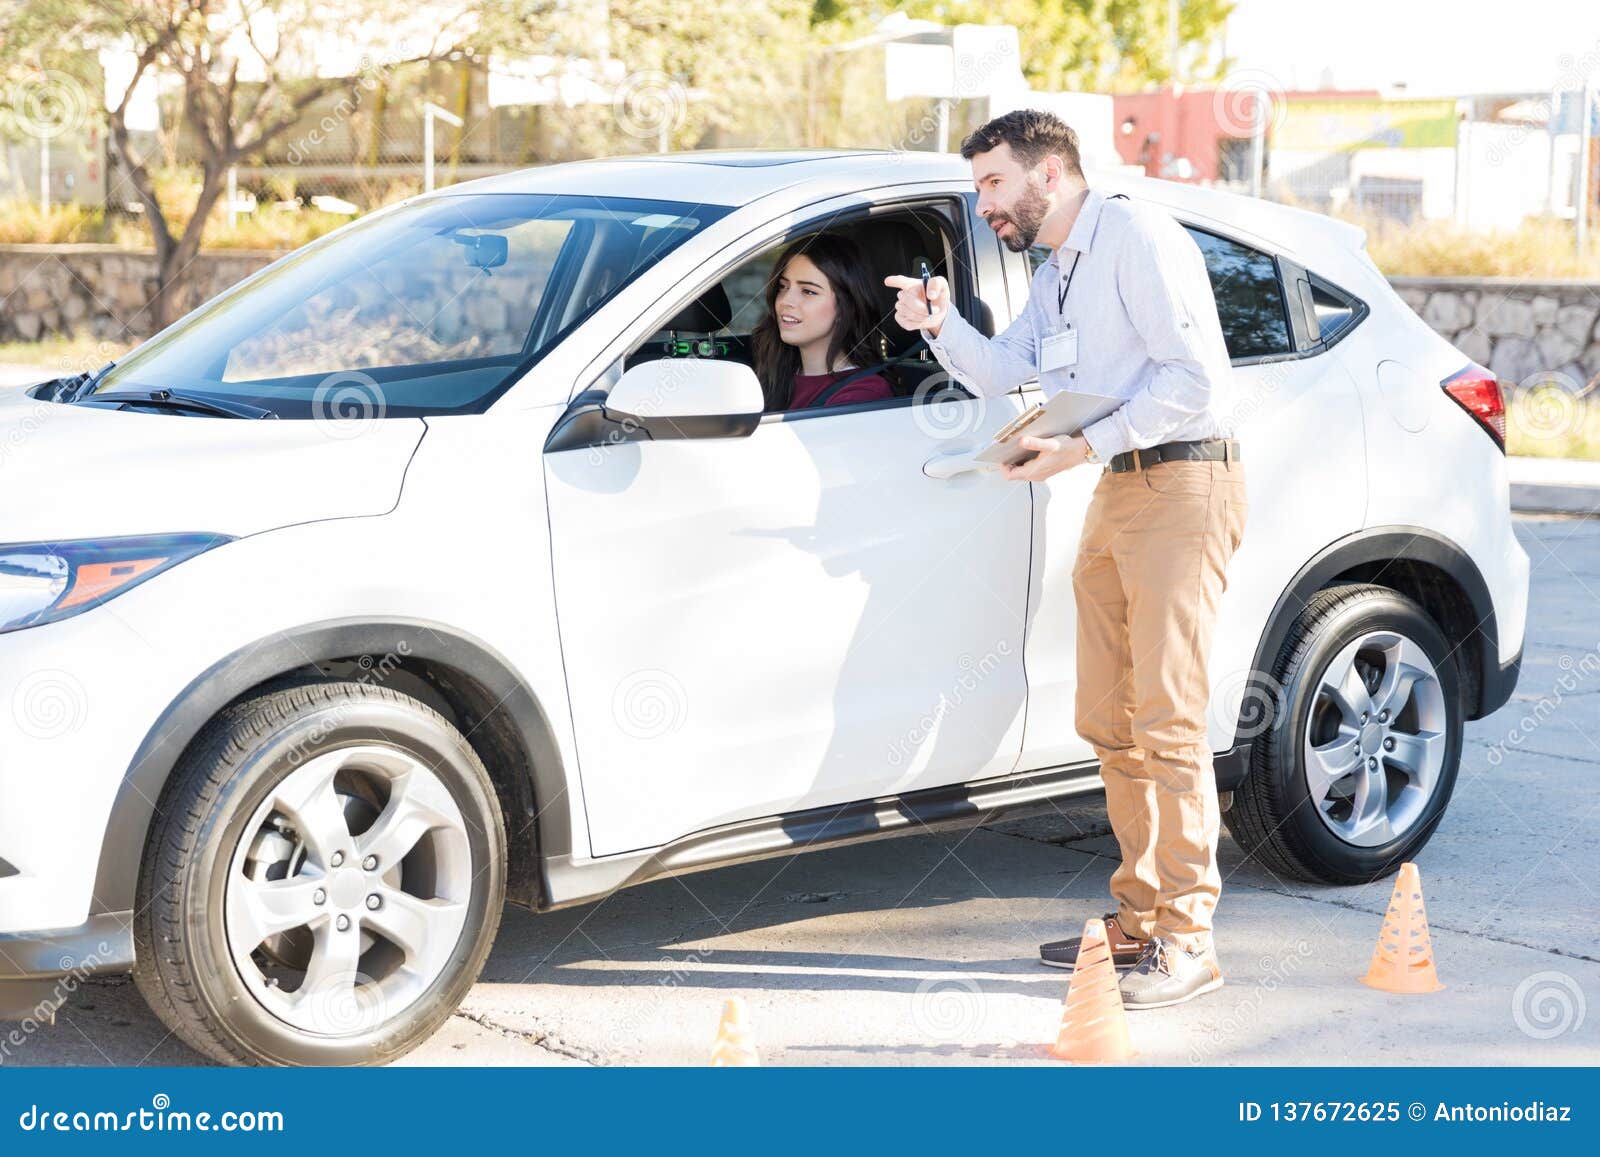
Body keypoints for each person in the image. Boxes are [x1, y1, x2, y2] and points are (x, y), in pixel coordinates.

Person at [886, 109, 1248, 1010]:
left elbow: (1195, 382)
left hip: (1182, 483)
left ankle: (1189, 937)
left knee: (1168, 718)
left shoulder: (1134, 234)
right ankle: (1139, 916)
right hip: (1121, 486)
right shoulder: (1060, 267)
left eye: (994, 184)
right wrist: (939, 325)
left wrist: (1082, 449)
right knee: (1109, 715)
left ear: (1050, 170)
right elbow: (1007, 366)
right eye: (978, 191)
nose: (985, 207)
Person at [752, 235, 895, 411]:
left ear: (846, 307)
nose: (785, 300)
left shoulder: (863, 394)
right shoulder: (772, 374)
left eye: (808, 291)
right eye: (783, 286)